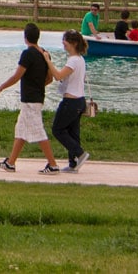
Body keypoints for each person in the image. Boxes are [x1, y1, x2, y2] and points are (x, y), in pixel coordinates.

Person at [0, 22, 61, 175]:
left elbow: (17, 76)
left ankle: (53, 165)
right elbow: (49, 78)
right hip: (37, 97)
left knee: (38, 131)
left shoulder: (28, 54)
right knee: (21, 130)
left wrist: (0, 88)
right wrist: (38, 85)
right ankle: (10, 163)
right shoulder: (45, 53)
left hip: (30, 99)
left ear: (25, 38)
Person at [47, 30, 90, 173]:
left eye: (65, 40)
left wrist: (48, 61)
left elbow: (58, 76)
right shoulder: (81, 60)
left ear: (74, 43)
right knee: (73, 133)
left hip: (70, 101)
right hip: (80, 101)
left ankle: (79, 153)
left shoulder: (73, 61)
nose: (63, 43)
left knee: (57, 129)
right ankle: (73, 164)